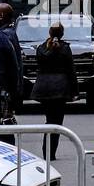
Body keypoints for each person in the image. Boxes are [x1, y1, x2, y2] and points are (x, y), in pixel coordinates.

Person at [31, 23, 79, 161]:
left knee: (50, 118)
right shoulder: (65, 49)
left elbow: (38, 65)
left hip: (44, 88)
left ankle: (47, 151)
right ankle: (51, 152)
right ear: (62, 34)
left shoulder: (41, 48)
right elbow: (71, 70)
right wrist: (75, 91)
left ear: (49, 33)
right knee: (57, 122)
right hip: (60, 88)